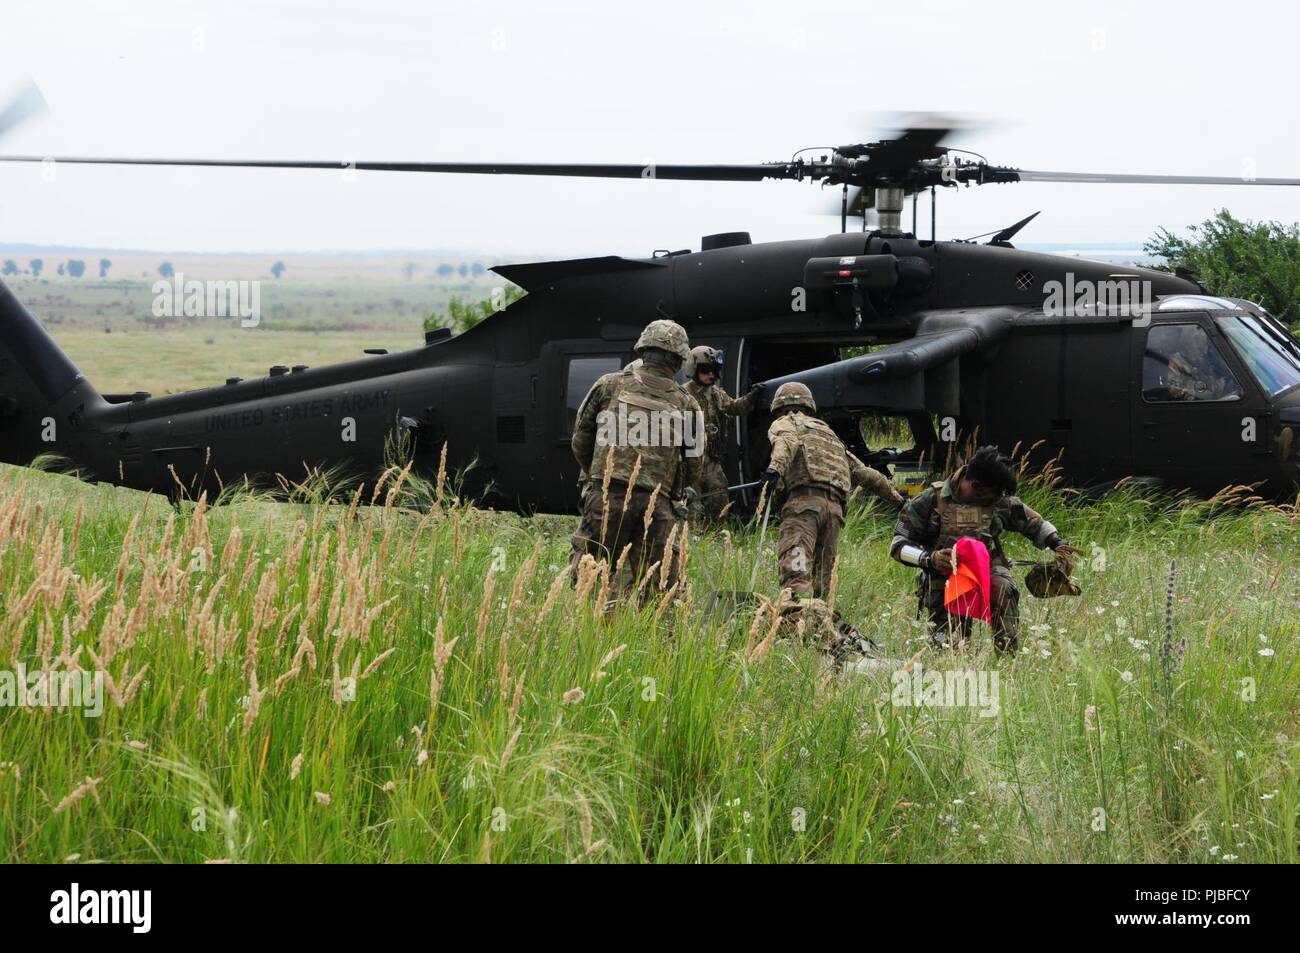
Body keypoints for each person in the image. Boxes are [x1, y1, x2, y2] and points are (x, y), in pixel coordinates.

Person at [889, 445, 1076, 653]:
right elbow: (898, 544)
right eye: (993, 494)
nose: (998, 499)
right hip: (944, 576)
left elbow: (1033, 522)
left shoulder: (997, 498)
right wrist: (929, 559)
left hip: (987, 569)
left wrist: (1059, 544)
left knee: (1004, 588)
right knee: (946, 649)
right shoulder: (930, 500)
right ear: (976, 485)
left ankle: (1007, 659)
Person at [760, 382, 903, 642]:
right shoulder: (828, 435)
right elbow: (864, 473)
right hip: (834, 512)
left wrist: (775, 470)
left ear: (780, 407)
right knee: (822, 584)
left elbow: (786, 442)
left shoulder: (787, 422)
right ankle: (826, 641)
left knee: (797, 576)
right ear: (810, 405)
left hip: (803, 508)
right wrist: (898, 499)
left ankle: (801, 637)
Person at [569, 319, 704, 596]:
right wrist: (676, 494)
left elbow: (581, 439)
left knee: (592, 574)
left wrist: (598, 479)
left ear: (643, 349)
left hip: (607, 496)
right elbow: (694, 462)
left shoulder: (609, 385)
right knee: (659, 587)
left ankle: (596, 631)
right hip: (658, 504)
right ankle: (649, 637)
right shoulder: (687, 403)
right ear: (678, 359)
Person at [682, 346, 763, 520]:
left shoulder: (716, 394)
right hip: (690, 459)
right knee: (692, 506)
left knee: (719, 500)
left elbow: (734, 407)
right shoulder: (683, 395)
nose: (711, 375)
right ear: (694, 370)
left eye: (714, 371)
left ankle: (715, 538)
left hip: (711, 459)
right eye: (705, 371)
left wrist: (752, 397)